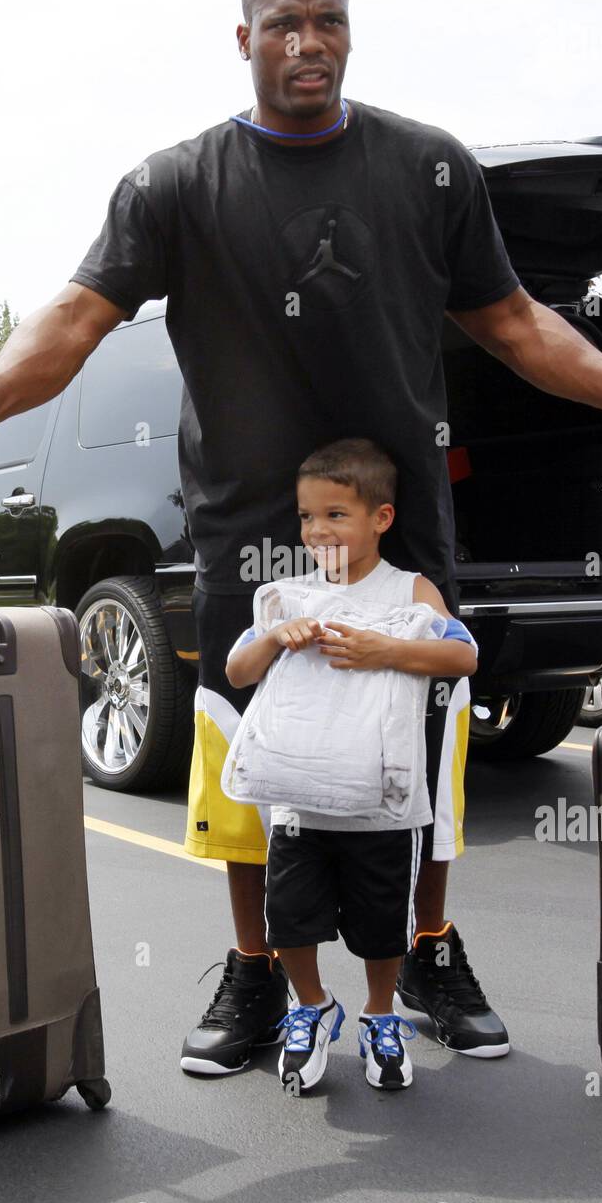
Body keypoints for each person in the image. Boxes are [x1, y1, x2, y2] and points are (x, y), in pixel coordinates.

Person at [0, 0, 602, 1079]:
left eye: (330, 21)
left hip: (402, 532)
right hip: (247, 525)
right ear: (242, 38)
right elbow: (74, 318)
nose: (310, 43)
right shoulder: (175, 185)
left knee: (424, 753)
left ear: (351, 28)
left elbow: (517, 325)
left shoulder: (427, 169)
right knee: (249, 756)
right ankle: (257, 971)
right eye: (284, 23)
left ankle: (429, 949)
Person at [223, 437, 480, 1093]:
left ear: (381, 519)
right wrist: (277, 638)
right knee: (292, 920)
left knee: (381, 929)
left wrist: (385, 648)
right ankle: (311, 1005)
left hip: (383, 807)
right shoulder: (286, 598)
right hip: (299, 804)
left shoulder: (410, 592)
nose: (317, 530)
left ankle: (378, 1012)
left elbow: (463, 657)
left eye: (336, 514)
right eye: (307, 516)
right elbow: (237, 669)